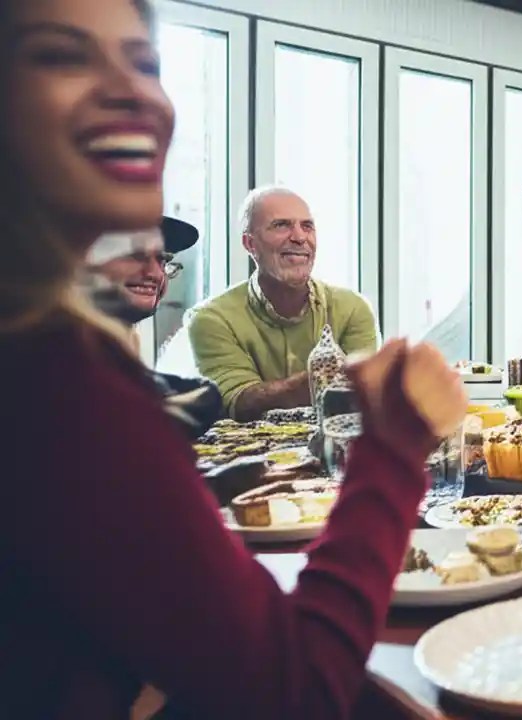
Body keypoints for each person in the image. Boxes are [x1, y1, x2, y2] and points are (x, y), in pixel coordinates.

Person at [0, 3, 468, 719]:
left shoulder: (57, 358)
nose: (136, 92)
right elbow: (293, 690)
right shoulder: (58, 383)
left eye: (145, 62)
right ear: (250, 243)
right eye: (64, 55)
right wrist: (395, 446)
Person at [184, 185, 379, 420]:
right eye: (281, 225)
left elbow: (363, 401)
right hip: (249, 455)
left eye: (307, 226)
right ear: (249, 244)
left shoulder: (352, 308)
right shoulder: (212, 319)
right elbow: (237, 403)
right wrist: (325, 377)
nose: (299, 237)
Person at [85, 217, 223, 437]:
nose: (155, 274)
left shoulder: (124, 338)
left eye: (162, 260)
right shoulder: (50, 345)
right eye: (134, 257)